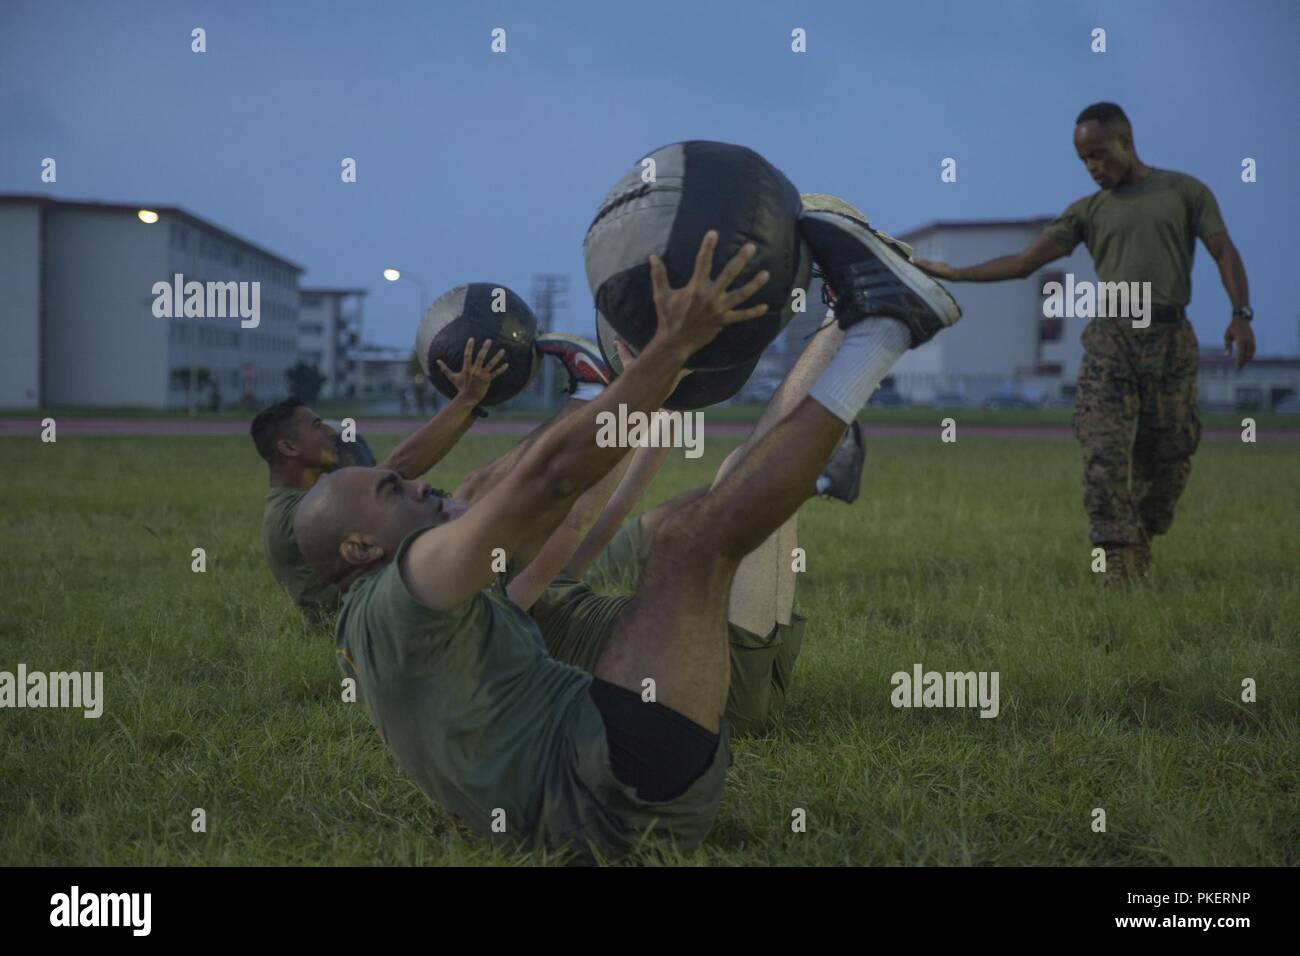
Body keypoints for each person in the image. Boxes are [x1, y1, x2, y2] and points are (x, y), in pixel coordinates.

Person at [295, 215, 959, 858]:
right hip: (614, 801)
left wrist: (642, 385)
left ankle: (847, 365)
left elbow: (545, 491)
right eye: (391, 490)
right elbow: (548, 481)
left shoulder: (379, 619)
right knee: (694, 542)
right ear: (359, 549)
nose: (415, 484)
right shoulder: (406, 590)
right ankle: (883, 328)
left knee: (690, 521)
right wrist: (670, 351)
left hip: (609, 768)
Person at [913, 102, 1254, 583]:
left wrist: (1241, 315)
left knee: (1170, 457)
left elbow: (1224, 250)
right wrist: (955, 273)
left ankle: (1140, 538)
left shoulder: (1184, 192)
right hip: (1110, 342)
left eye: (1098, 154)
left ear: (1126, 143)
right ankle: (1116, 560)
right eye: (1083, 160)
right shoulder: (1087, 212)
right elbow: (1024, 262)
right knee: (1102, 452)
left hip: (1170, 340)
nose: (1093, 167)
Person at [251, 338, 508, 620]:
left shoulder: (301, 496)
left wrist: (472, 404)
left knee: (475, 485)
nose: (330, 431)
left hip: (377, 602)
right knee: (479, 488)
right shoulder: (292, 514)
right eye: (317, 426)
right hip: (363, 620)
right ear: (288, 447)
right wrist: (467, 399)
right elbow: (398, 466)